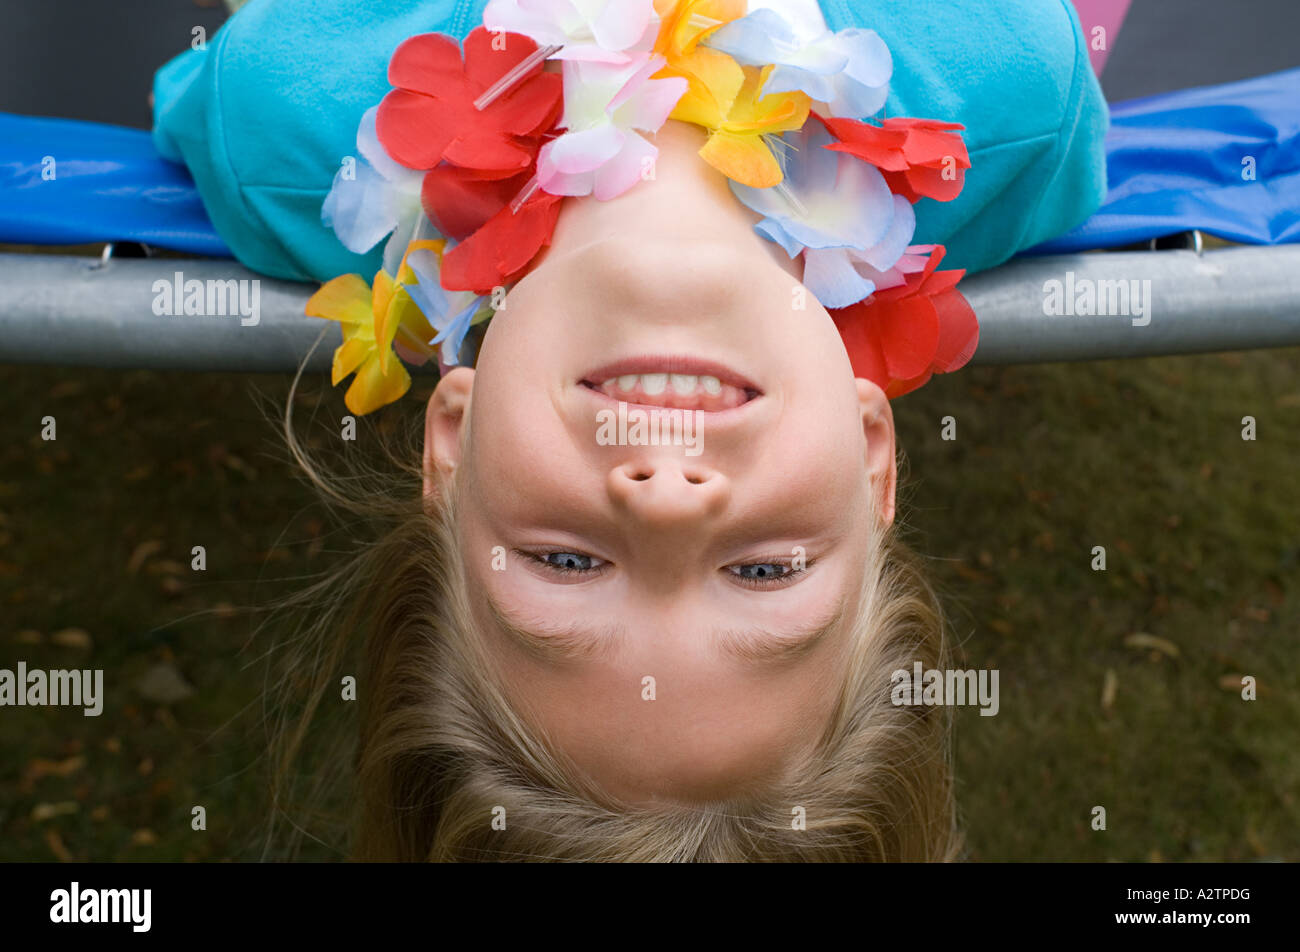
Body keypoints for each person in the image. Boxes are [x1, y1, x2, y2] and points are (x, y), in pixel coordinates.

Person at [152, 0, 1109, 860]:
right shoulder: (1018, 90)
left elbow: (191, 92)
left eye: (565, 564)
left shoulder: (278, 124)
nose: (667, 500)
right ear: (870, 462)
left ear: (450, 447)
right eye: (764, 569)